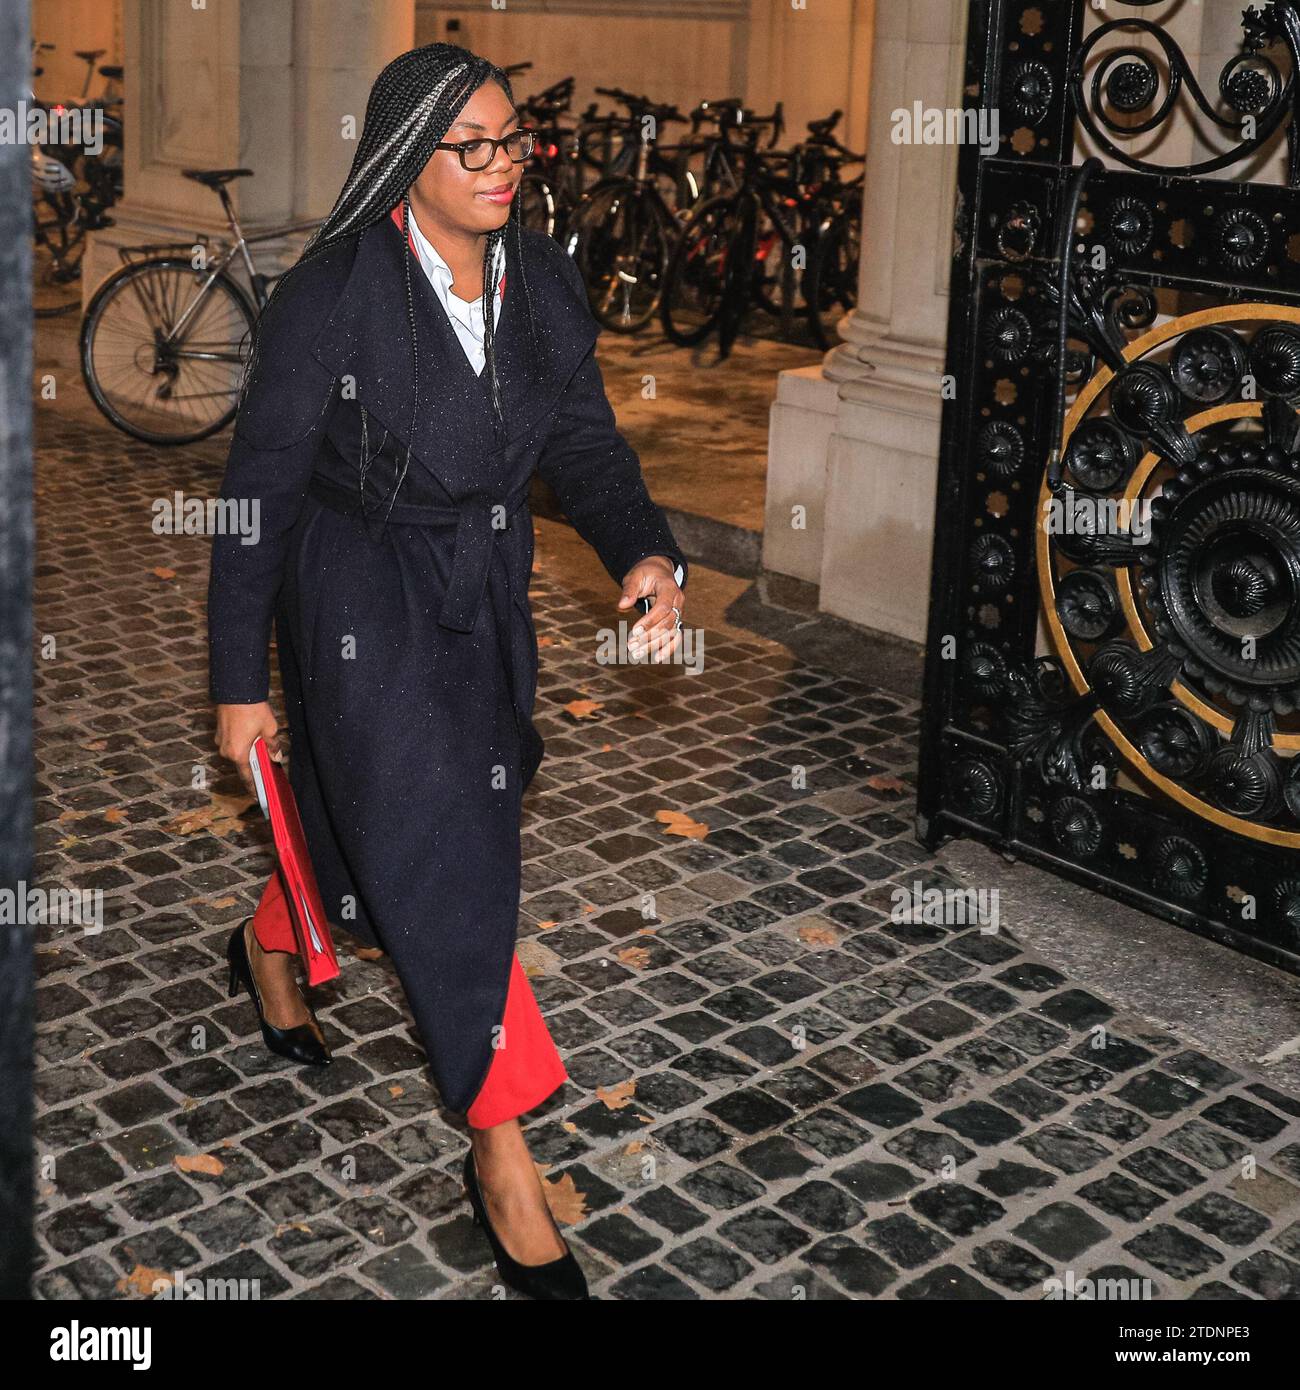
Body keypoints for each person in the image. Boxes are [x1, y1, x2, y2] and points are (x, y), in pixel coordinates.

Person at [206, 42, 688, 1301]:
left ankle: (271, 941)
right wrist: (235, 682)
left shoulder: (536, 279)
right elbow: (252, 498)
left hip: (480, 586)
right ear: (404, 163)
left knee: (381, 815)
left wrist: (643, 549)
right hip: (356, 586)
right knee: (447, 851)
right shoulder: (332, 295)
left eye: (511, 139)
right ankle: (504, 1150)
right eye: (468, 144)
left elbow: (580, 444)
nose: (500, 164)